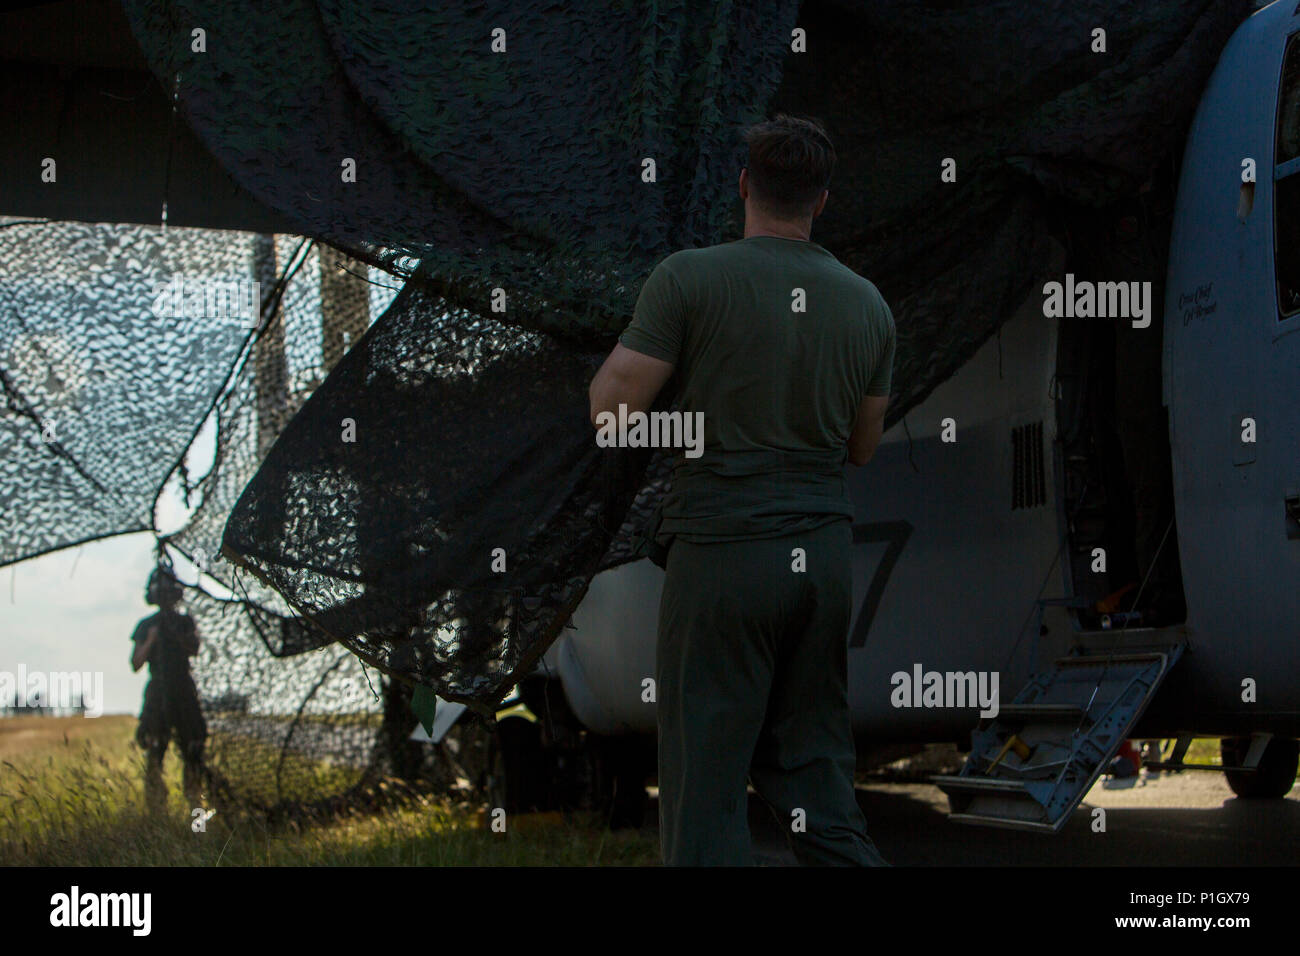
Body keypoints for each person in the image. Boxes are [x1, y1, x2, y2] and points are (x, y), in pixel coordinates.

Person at [589, 114, 895, 865]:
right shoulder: (869, 304)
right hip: (822, 561)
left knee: (705, 784)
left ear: (744, 186)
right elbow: (861, 448)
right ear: (821, 200)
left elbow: (610, 413)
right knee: (817, 772)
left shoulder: (687, 279)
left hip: (724, 552)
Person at [130, 564, 207, 810]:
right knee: (154, 747)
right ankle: (156, 810)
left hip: (183, 690)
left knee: (193, 748)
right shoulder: (146, 625)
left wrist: (178, 636)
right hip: (158, 692)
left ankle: (196, 806)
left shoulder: (184, 622)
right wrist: (152, 640)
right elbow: (136, 663)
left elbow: (195, 648)